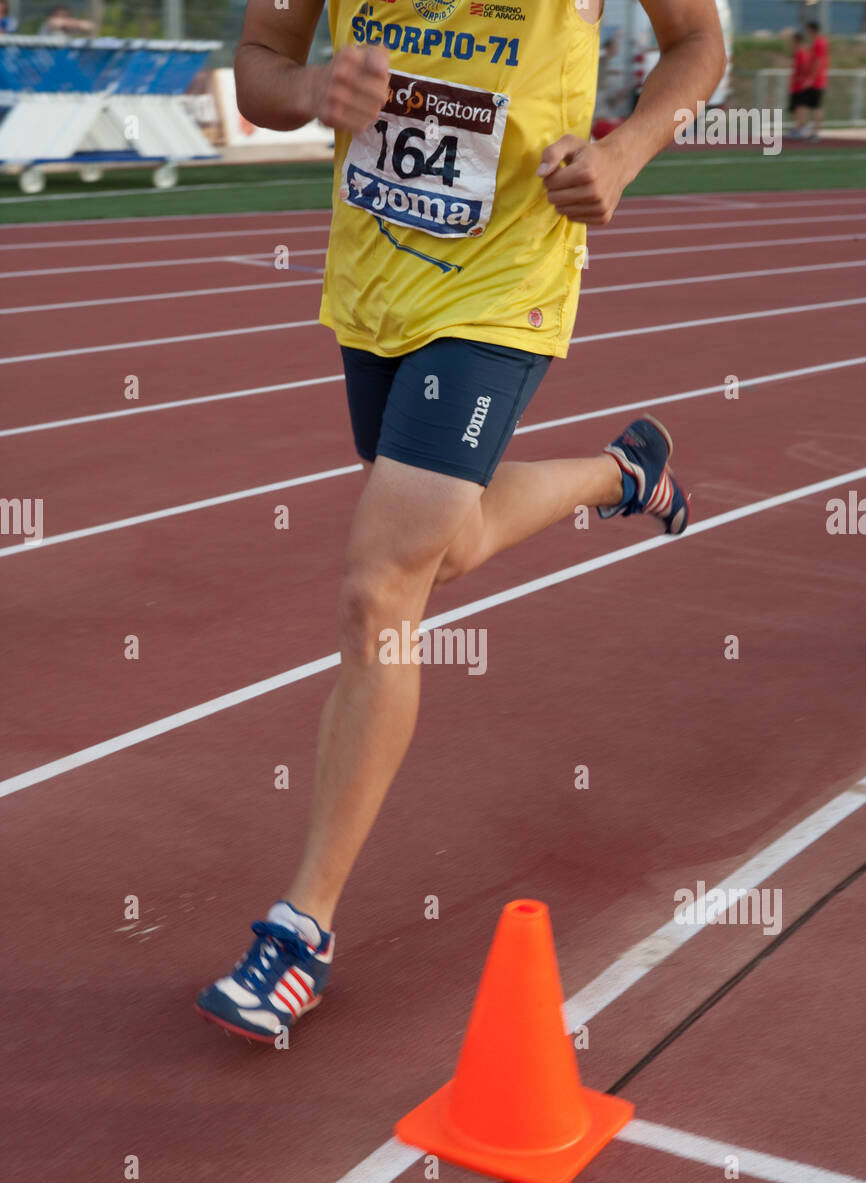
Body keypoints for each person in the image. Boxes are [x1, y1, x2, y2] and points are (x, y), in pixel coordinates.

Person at [196, 0, 726, 1043]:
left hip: (505, 284)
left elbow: (696, 41)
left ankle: (299, 931)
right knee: (450, 544)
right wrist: (308, 91)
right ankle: (619, 475)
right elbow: (259, 61)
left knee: (379, 585)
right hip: (375, 278)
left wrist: (619, 158)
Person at [800, 18, 830, 142]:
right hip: (817, 79)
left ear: (812, 30)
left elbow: (817, 62)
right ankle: (812, 130)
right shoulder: (818, 42)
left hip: (817, 80)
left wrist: (811, 78)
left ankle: (816, 132)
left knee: (816, 106)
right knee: (812, 106)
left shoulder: (819, 43)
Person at [787, 30, 812, 139]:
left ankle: (801, 128)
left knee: (800, 107)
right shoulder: (799, 52)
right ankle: (799, 127)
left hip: (800, 86)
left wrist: (801, 79)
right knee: (797, 107)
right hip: (796, 85)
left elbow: (805, 67)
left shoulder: (801, 52)